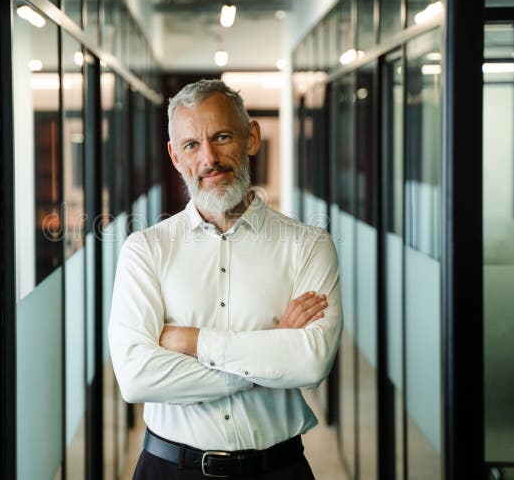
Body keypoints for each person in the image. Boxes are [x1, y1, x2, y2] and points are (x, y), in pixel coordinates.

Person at [109, 79, 342, 479]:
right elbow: (135, 377)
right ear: (175, 156)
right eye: (191, 145)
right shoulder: (144, 250)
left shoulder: (308, 245)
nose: (209, 158)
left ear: (251, 137)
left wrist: (191, 340)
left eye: (221, 137)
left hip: (278, 469)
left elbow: (309, 363)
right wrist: (267, 362)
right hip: (169, 469)